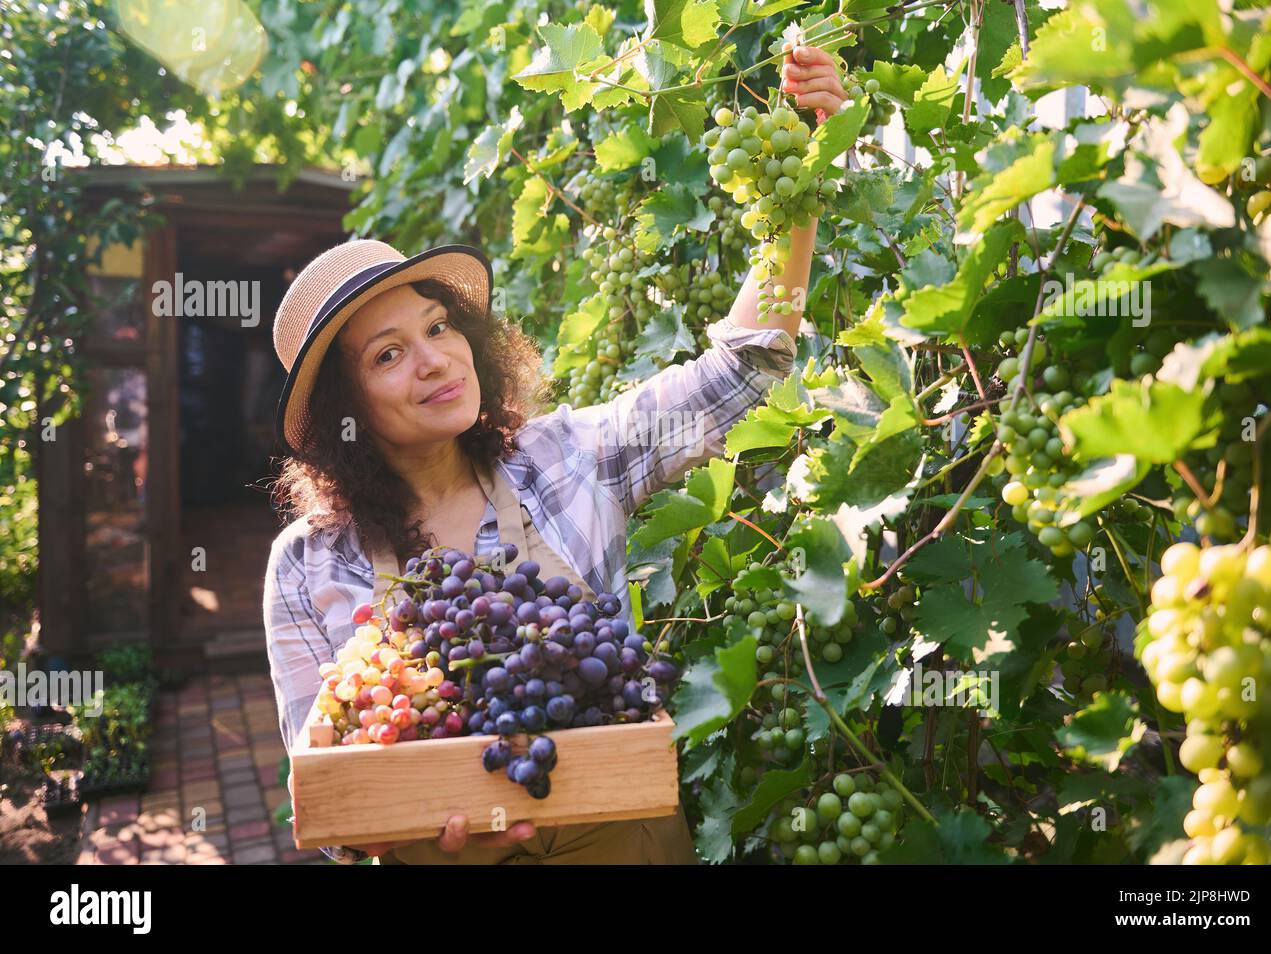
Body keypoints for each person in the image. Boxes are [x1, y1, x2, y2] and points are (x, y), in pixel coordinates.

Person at [263, 45, 849, 865]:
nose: (434, 360)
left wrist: (803, 169)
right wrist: (417, 816)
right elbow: (327, 793)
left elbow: (742, 369)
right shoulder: (307, 566)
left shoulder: (568, 457)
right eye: (387, 355)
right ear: (343, 410)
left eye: (437, 329)